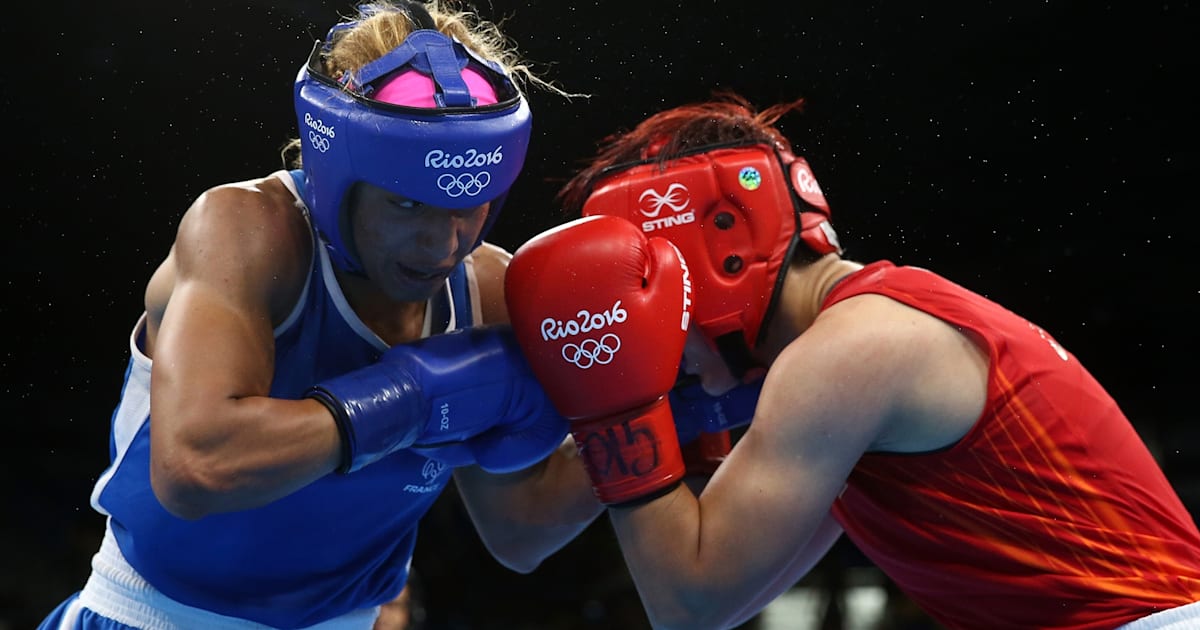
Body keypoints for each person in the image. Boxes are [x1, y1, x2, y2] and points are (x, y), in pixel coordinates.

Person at [502, 93, 1200, 629]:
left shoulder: (852, 351)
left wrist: (617, 410)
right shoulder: (869, 330)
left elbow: (691, 603)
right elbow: (734, 591)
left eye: (645, 298)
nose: (650, 342)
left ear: (720, 255)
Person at [36, 2, 608, 628]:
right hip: (155, 616)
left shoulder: (490, 294)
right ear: (335, 177)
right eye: (407, 205)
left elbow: (521, 534)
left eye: (469, 207)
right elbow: (196, 466)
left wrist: (648, 411)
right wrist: (411, 397)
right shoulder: (248, 235)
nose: (443, 244)